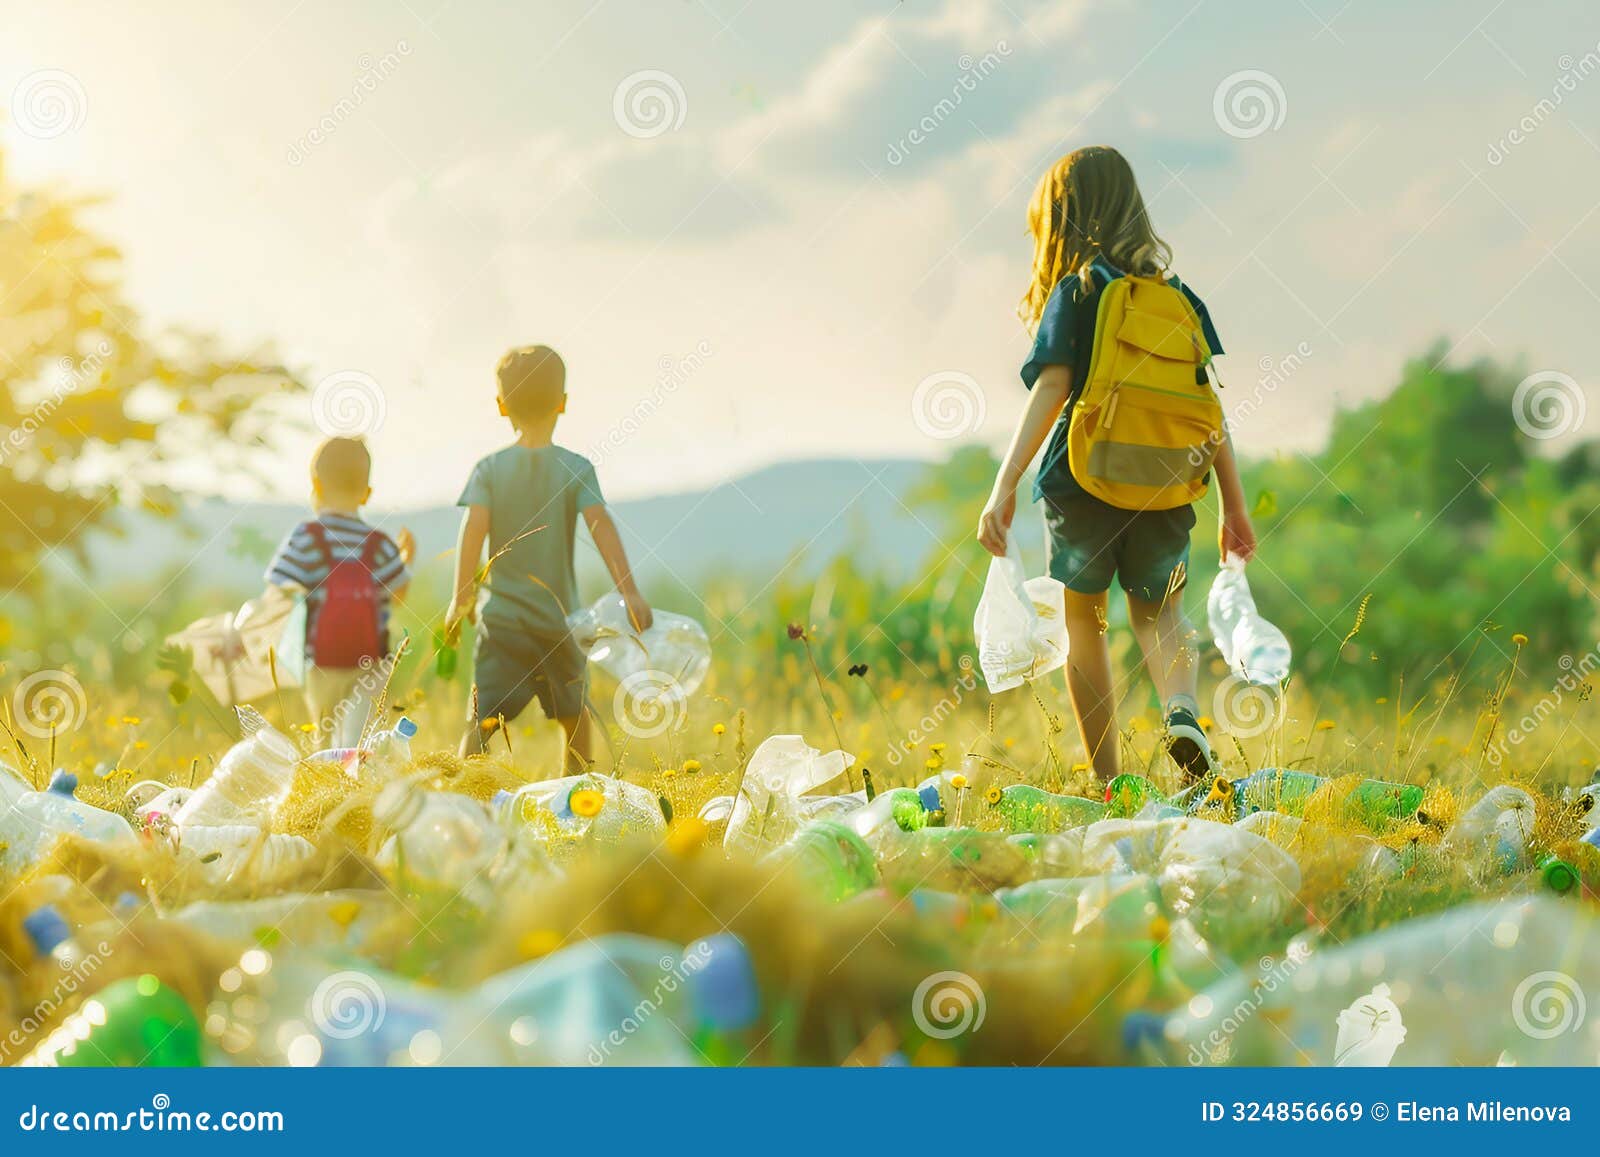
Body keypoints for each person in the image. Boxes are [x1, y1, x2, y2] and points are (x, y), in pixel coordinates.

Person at [977, 145, 1256, 784]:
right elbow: (1207, 409)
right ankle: (1180, 709)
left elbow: (1052, 389)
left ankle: (1108, 781)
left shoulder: (1079, 291)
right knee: (1162, 615)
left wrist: (1005, 484)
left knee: (1086, 623)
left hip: (1085, 483)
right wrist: (1234, 508)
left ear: (1062, 218)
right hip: (1167, 486)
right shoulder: (1177, 296)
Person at [447, 344, 652, 769]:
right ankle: (576, 797)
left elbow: (473, 530)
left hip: (502, 622)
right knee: (575, 718)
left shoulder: (489, 469)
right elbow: (601, 526)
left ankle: (465, 795)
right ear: (563, 402)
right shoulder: (576, 468)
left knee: (481, 722)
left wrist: (461, 597)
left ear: (502, 406)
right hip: (560, 623)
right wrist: (628, 592)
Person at [264, 435, 413, 747]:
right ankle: (359, 773)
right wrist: (405, 559)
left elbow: (279, 588)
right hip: (371, 665)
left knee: (325, 741)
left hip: (322, 664)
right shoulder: (380, 544)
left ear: (315, 486)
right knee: (360, 744)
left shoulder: (307, 537)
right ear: (367, 493)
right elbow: (398, 596)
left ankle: (329, 773)